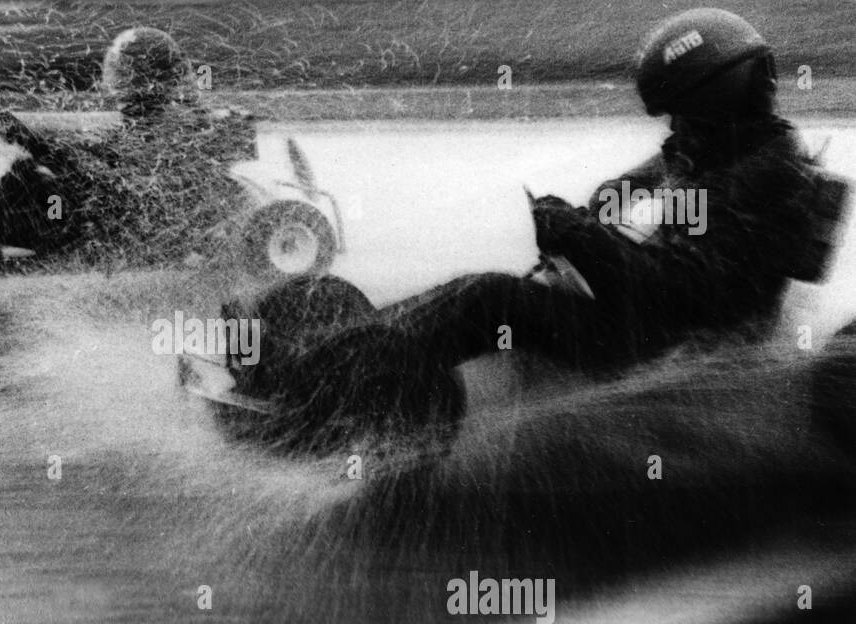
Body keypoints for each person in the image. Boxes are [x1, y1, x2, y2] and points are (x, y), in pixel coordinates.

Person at [275, 8, 846, 434]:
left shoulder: (767, 179)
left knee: (489, 298)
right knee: (490, 292)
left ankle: (337, 387)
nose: (674, 129)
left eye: (682, 115)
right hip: (656, 319)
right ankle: (344, 351)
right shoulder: (727, 147)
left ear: (716, 106)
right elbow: (647, 178)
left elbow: (686, 293)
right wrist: (603, 203)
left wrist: (581, 235)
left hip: (680, 348)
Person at [0, 27, 256, 268]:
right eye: (120, 73)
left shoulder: (173, 129)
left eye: (127, 74)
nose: (119, 82)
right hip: (117, 225)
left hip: (122, 240)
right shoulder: (163, 124)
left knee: (35, 179)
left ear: (146, 80)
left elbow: (125, 188)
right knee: (34, 178)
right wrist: (43, 143)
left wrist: (44, 147)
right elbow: (101, 156)